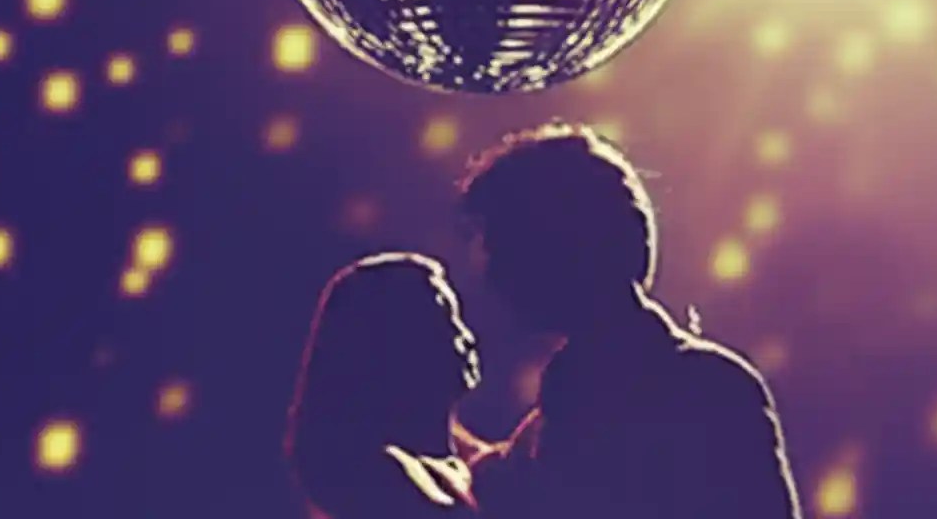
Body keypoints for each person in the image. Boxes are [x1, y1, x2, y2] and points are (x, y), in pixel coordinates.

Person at [458, 122, 802, 518]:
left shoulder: (697, 390)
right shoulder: (587, 394)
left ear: (562, 245)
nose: (490, 266)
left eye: (504, 240)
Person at [284, 252, 488, 518]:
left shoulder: (468, 464)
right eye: (442, 320)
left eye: (458, 319)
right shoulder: (382, 476)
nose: (466, 337)